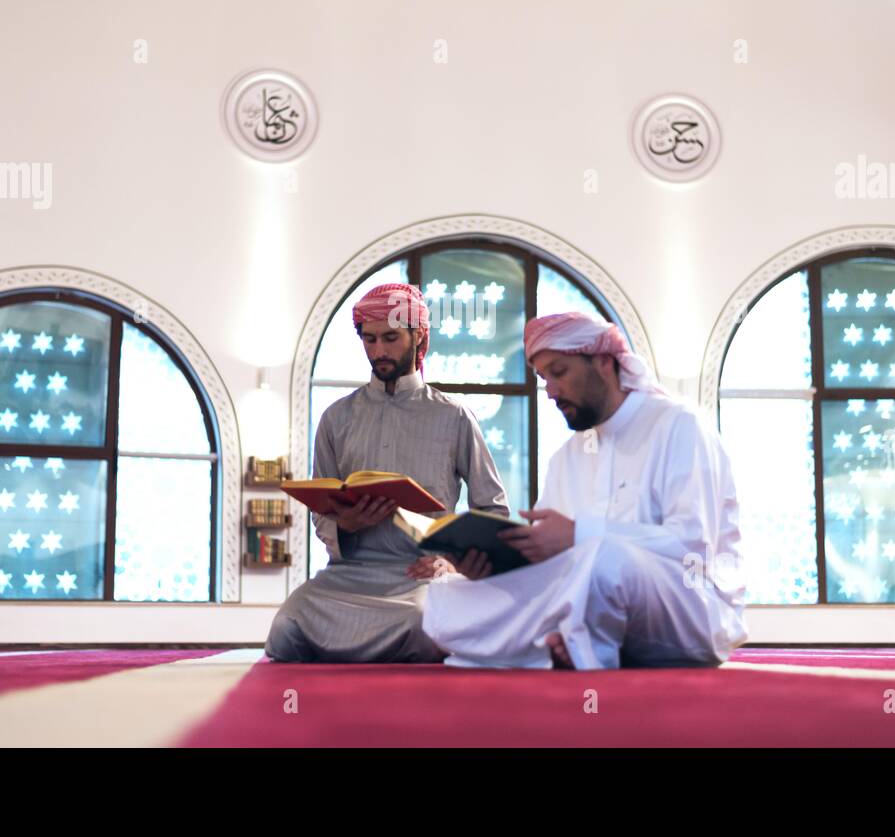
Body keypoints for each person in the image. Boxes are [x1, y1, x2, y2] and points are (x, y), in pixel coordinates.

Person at [421, 311, 748, 670]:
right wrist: (494, 568)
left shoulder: (680, 425)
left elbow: (692, 547)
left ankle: (563, 645)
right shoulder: (566, 458)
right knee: (447, 595)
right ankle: (567, 639)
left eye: (559, 372)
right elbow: (556, 565)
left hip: (688, 607)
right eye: (544, 378)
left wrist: (580, 535)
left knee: (605, 559)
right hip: (589, 600)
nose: (550, 391)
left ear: (604, 362)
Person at [264, 282, 509, 663]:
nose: (378, 351)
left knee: (421, 623)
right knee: (286, 628)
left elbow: (492, 511)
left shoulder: (454, 416)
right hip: (346, 575)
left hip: (419, 576)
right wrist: (345, 524)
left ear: (419, 336)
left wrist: (453, 561)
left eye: (391, 338)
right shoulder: (337, 418)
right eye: (370, 339)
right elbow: (320, 513)